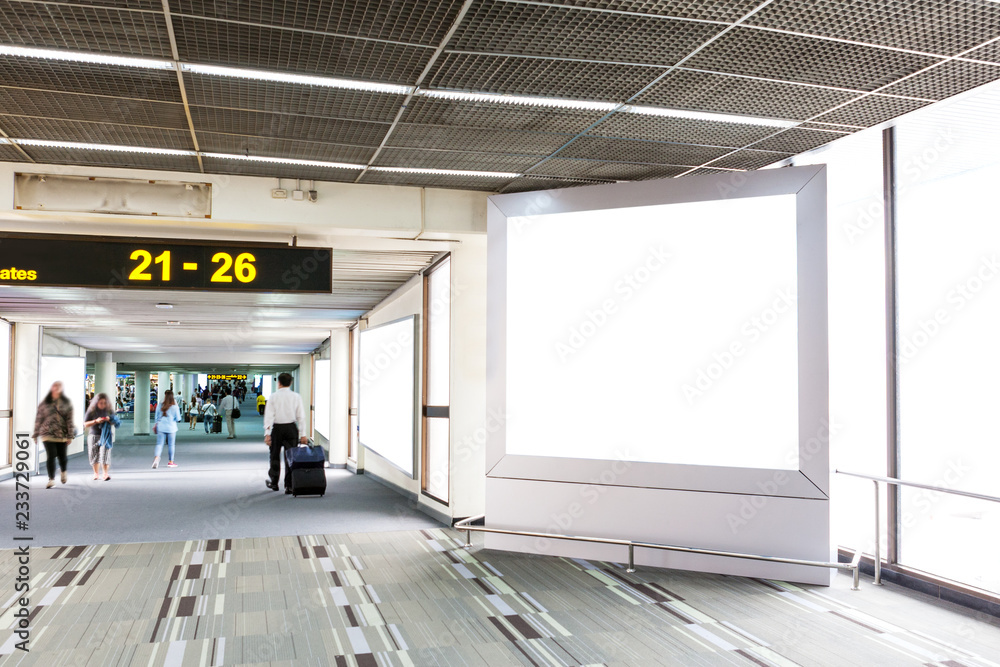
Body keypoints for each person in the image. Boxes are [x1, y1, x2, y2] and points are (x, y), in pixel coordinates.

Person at [263, 372, 308, 494]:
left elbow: (269, 416)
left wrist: (267, 433)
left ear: (279, 383)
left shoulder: (273, 397)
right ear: (291, 383)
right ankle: (289, 485)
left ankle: (274, 482)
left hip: (277, 429)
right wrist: (303, 434)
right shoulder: (296, 396)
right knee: (291, 457)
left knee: (274, 455)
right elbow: (301, 416)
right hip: (291, 428)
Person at [32, 381, 75, 489]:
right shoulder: (44, 403)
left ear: (61, 389)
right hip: (47, 434)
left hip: (61, 434)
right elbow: (39, 419)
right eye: (54, 387)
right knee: (51, 456)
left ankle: (63, 471)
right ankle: (51, 480)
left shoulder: (66, 403)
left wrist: (70, 435)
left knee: (62, 456)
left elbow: (69, 420)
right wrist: (35, 434)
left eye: (58, 387)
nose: (56, 389)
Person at [84, 393, 120, 481]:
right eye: (101, 403)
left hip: (106, 435)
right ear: (96, 403)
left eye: (104, 403)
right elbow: (85, 424)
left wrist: (109, 420)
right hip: (94, 435)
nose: (103, 405)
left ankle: (105, 474)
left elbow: (115, 421)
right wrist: (96, 421)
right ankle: (96, 473)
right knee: (94, 454)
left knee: (105, 454)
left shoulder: (109, 410)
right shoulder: (91, 411)